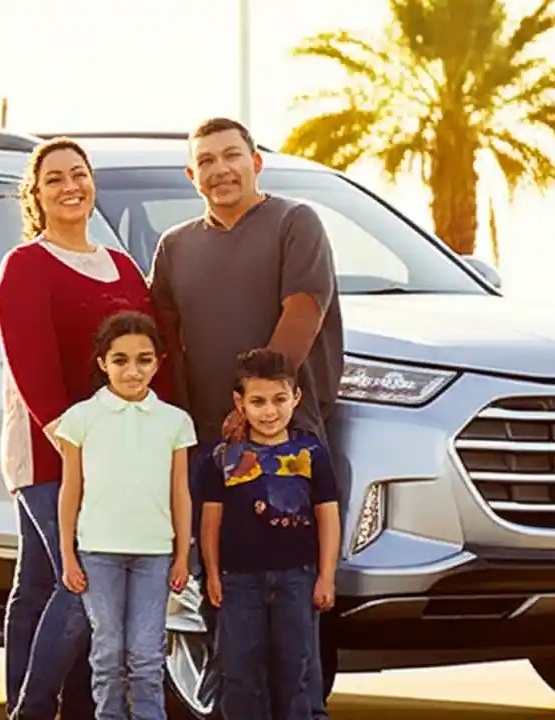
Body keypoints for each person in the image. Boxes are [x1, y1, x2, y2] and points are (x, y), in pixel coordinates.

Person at [148, 117, 344, 717]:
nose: (220, 169)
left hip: (286, 442)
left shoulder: (295, 223)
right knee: (226, 601)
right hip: (210, 449)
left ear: (256, 162)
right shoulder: (175, 246)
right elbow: (164, 340)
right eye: (206, 161)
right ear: (192, 175)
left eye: (231, 156)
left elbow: (303, 312)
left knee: (292, 601)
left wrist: (254, 409)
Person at [0, 138, 162, 720]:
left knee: (40, 583)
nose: (71, 186)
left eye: (79, 174)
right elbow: (34, 373)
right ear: (35, 196)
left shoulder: (121, 266)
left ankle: (64, 709)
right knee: (82, 577)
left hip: (118, 455)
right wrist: (80, 455)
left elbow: (147, 356)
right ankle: (33, 710)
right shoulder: (25, 267)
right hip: (48, 453)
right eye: (55, 179)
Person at [55, 310, 196, 720]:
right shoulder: (80, 419)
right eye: (120, 360)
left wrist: (182, 554)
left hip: (154, 554)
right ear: (102, 363)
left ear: (158, 362)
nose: (132, 371)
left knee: (147, 655)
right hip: (98, 553)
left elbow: (180, 493)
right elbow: (71, 490)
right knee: (108, 651)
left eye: (144, 359)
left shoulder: (174, 422)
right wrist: (68, 553)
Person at [198, 348, 340, 719]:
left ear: (296, 398)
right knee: (241, 670)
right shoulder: (223, 457)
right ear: (239, 403)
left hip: (298, 578)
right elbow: (211, 520)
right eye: (257, 401)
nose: (269, 411)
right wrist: (212, 573)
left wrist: (326, 576)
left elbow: (328, 516)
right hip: (238, 580)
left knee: (297, 668)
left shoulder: (312, 452)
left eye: (279, 400)